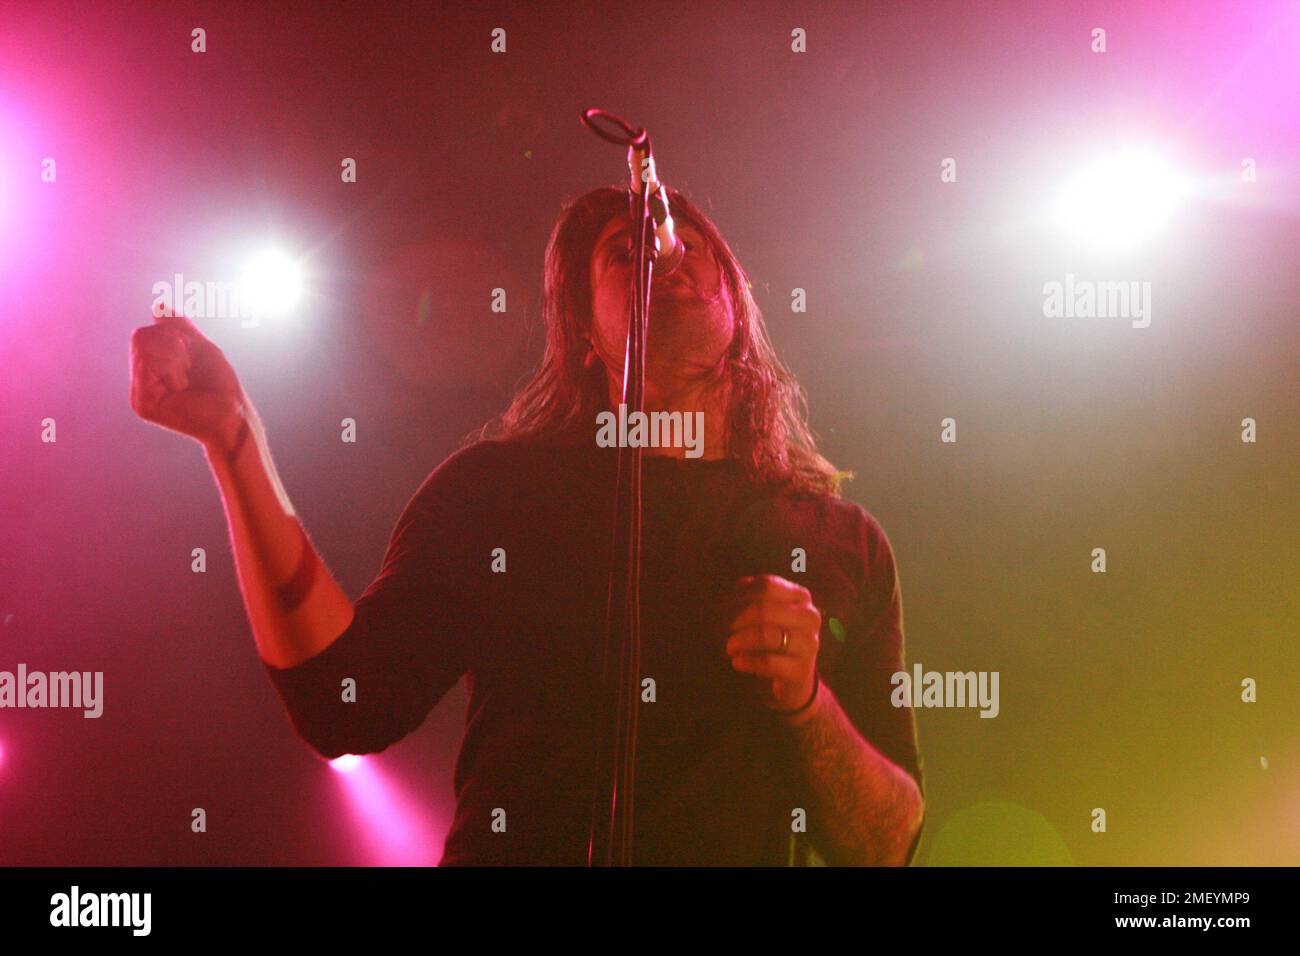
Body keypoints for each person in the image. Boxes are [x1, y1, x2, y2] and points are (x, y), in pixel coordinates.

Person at [129, 184, 925, 866]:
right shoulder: (500, 493)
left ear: (735, 296)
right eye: (625, 253)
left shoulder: (839, 542)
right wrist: (235, 440)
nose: (664, 254)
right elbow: (343, 702)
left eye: (684, 239)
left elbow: (887, 842)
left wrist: (804, 700)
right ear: (584, 336)